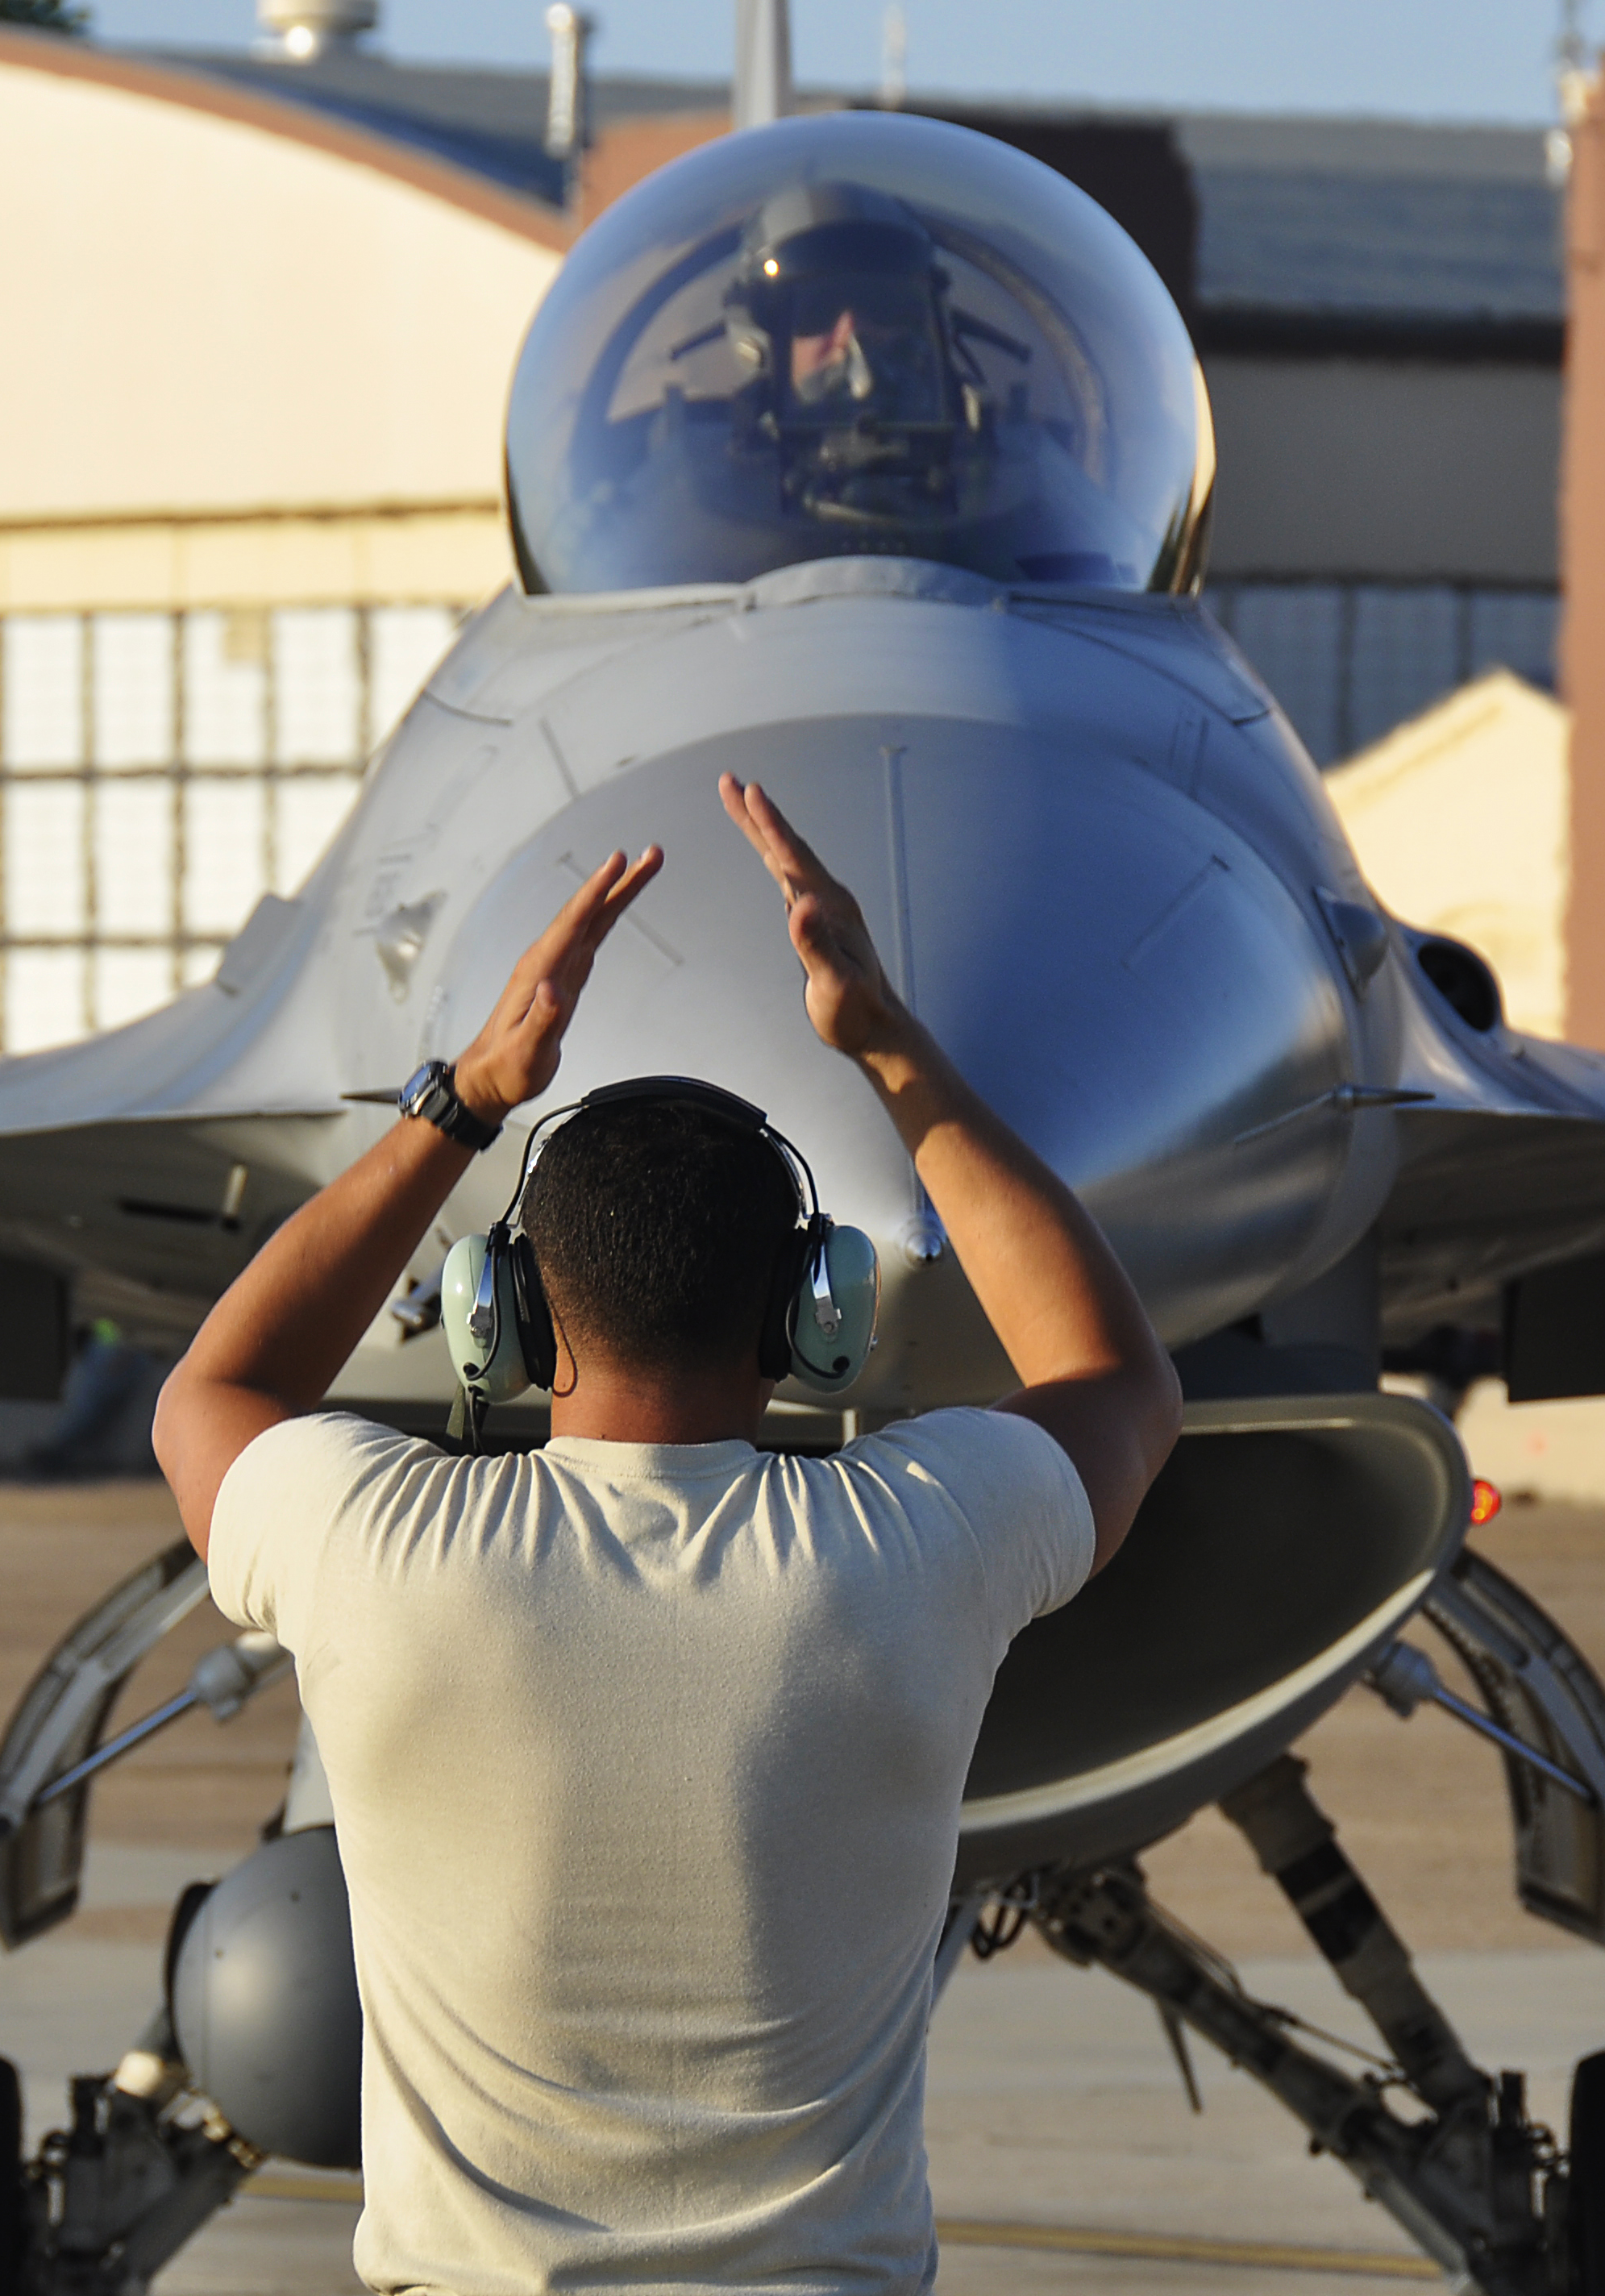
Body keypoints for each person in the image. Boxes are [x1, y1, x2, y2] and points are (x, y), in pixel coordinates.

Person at [152, 772, 1183, 2295]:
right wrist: (893, 1054)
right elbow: (1116, 1383)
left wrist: (462, 1104)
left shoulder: (372, 1540)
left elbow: (213, 1392)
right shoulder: (915, 1541)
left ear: (503, 1317)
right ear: (807, 1317)